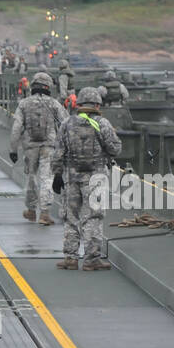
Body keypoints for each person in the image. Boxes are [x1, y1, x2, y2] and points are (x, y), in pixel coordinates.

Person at [52, 87, 122, 271]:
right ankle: (91, 259)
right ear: (98, 104)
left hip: (71, 177)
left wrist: (57, 174)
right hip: (96, 178)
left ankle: (70, 258)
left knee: (71, 216)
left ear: (79, 104)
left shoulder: (67, 123)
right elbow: (115, 149)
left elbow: (58, 152)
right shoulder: (102, 123)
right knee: (93, 216)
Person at [9, 71, 67, 226]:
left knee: (31, 178)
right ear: (48, 86)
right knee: (47, 178)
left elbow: (16, 128)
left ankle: (31, 211)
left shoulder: (24, 104)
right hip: (49, 147)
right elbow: (66, 125)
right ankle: (45, 214)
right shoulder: (54, 104)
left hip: (29, 148)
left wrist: (13, 150)